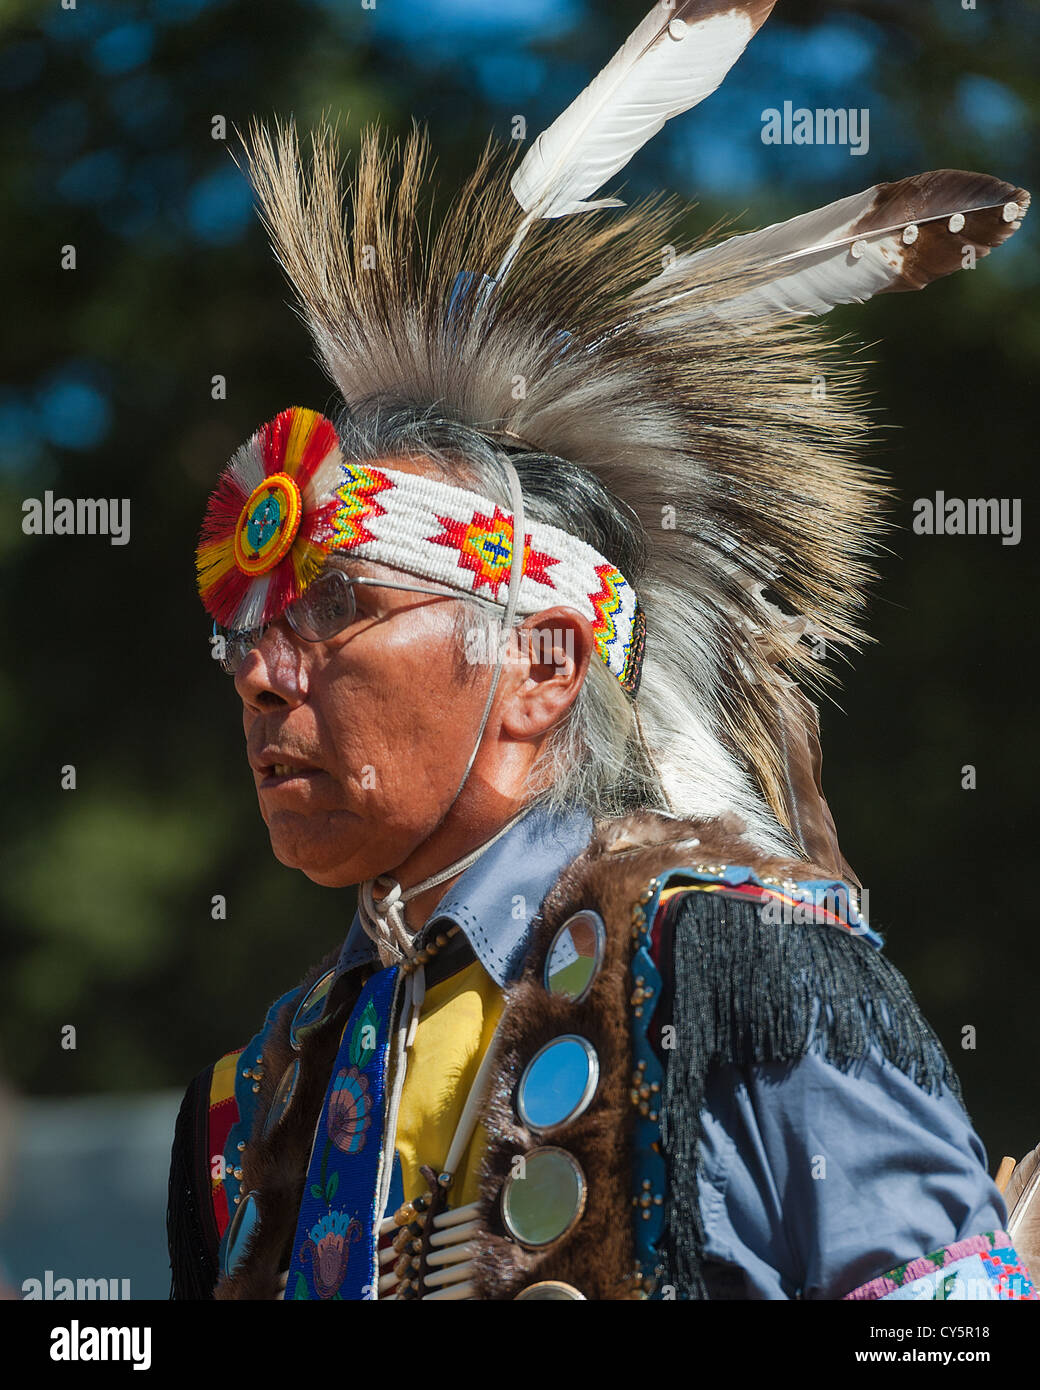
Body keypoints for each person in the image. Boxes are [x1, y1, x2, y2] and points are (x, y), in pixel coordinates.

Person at [167, 0, 1034, 1300]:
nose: (262, 669)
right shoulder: (261, 1101)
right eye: (250, 631)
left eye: (338, 609)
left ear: (543, 666)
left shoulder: (740, 985)